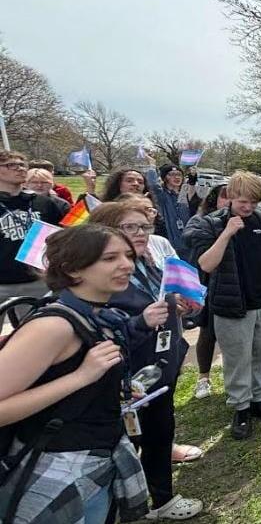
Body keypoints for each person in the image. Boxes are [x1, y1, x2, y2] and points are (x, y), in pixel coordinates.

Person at [0, 225, 149, 522]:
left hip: (94, 463)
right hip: (53, 471)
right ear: (73, 269)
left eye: (128, 255)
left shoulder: (97, 314)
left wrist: (109, 389)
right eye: (109, 258)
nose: (126, 265)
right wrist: (80, 378)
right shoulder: (54, 326)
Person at [88, 201, 204, 520]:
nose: (141, 234)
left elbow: (157, 298)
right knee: (126, 442)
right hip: (122, 374)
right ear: (107, 230)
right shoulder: (98, 275)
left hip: (158, 367)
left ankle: (162, 500)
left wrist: (175, 305)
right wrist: (140, 321)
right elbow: (96, 330)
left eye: (145, 226)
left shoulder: (148, 261)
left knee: (160, 430)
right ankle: (124, 506)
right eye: (130, 227)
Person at [184, 171, 261, 440]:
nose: (248, 207)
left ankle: (259, 399)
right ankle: (240, 407)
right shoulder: (211, 224)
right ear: (229, 196)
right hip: (231, 303)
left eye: (253, 202)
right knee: (237, 357)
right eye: (243, 201)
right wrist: (227, 233)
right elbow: (206, 265)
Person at [0, 150, 67, 301]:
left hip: (37, 281)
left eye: (22, 165)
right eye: (11, 165)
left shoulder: (43, 202)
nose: (20, 168)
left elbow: (63, 236)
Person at [190, 184, 228, 400]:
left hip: (235, 286)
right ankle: (203, 377)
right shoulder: (201, 221)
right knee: (208, 331)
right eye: (226, 197)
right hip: (208, 283)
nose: (230, 201)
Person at [142, 157, 196, 254]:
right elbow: (153, 185)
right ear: (165, 178)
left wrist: (192, 180)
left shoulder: (184, 194)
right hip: (171, 246)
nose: (177, 177)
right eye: (172, 175)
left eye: (179, 174)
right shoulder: (162, 195)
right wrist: (152, 166)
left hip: (188, 244)